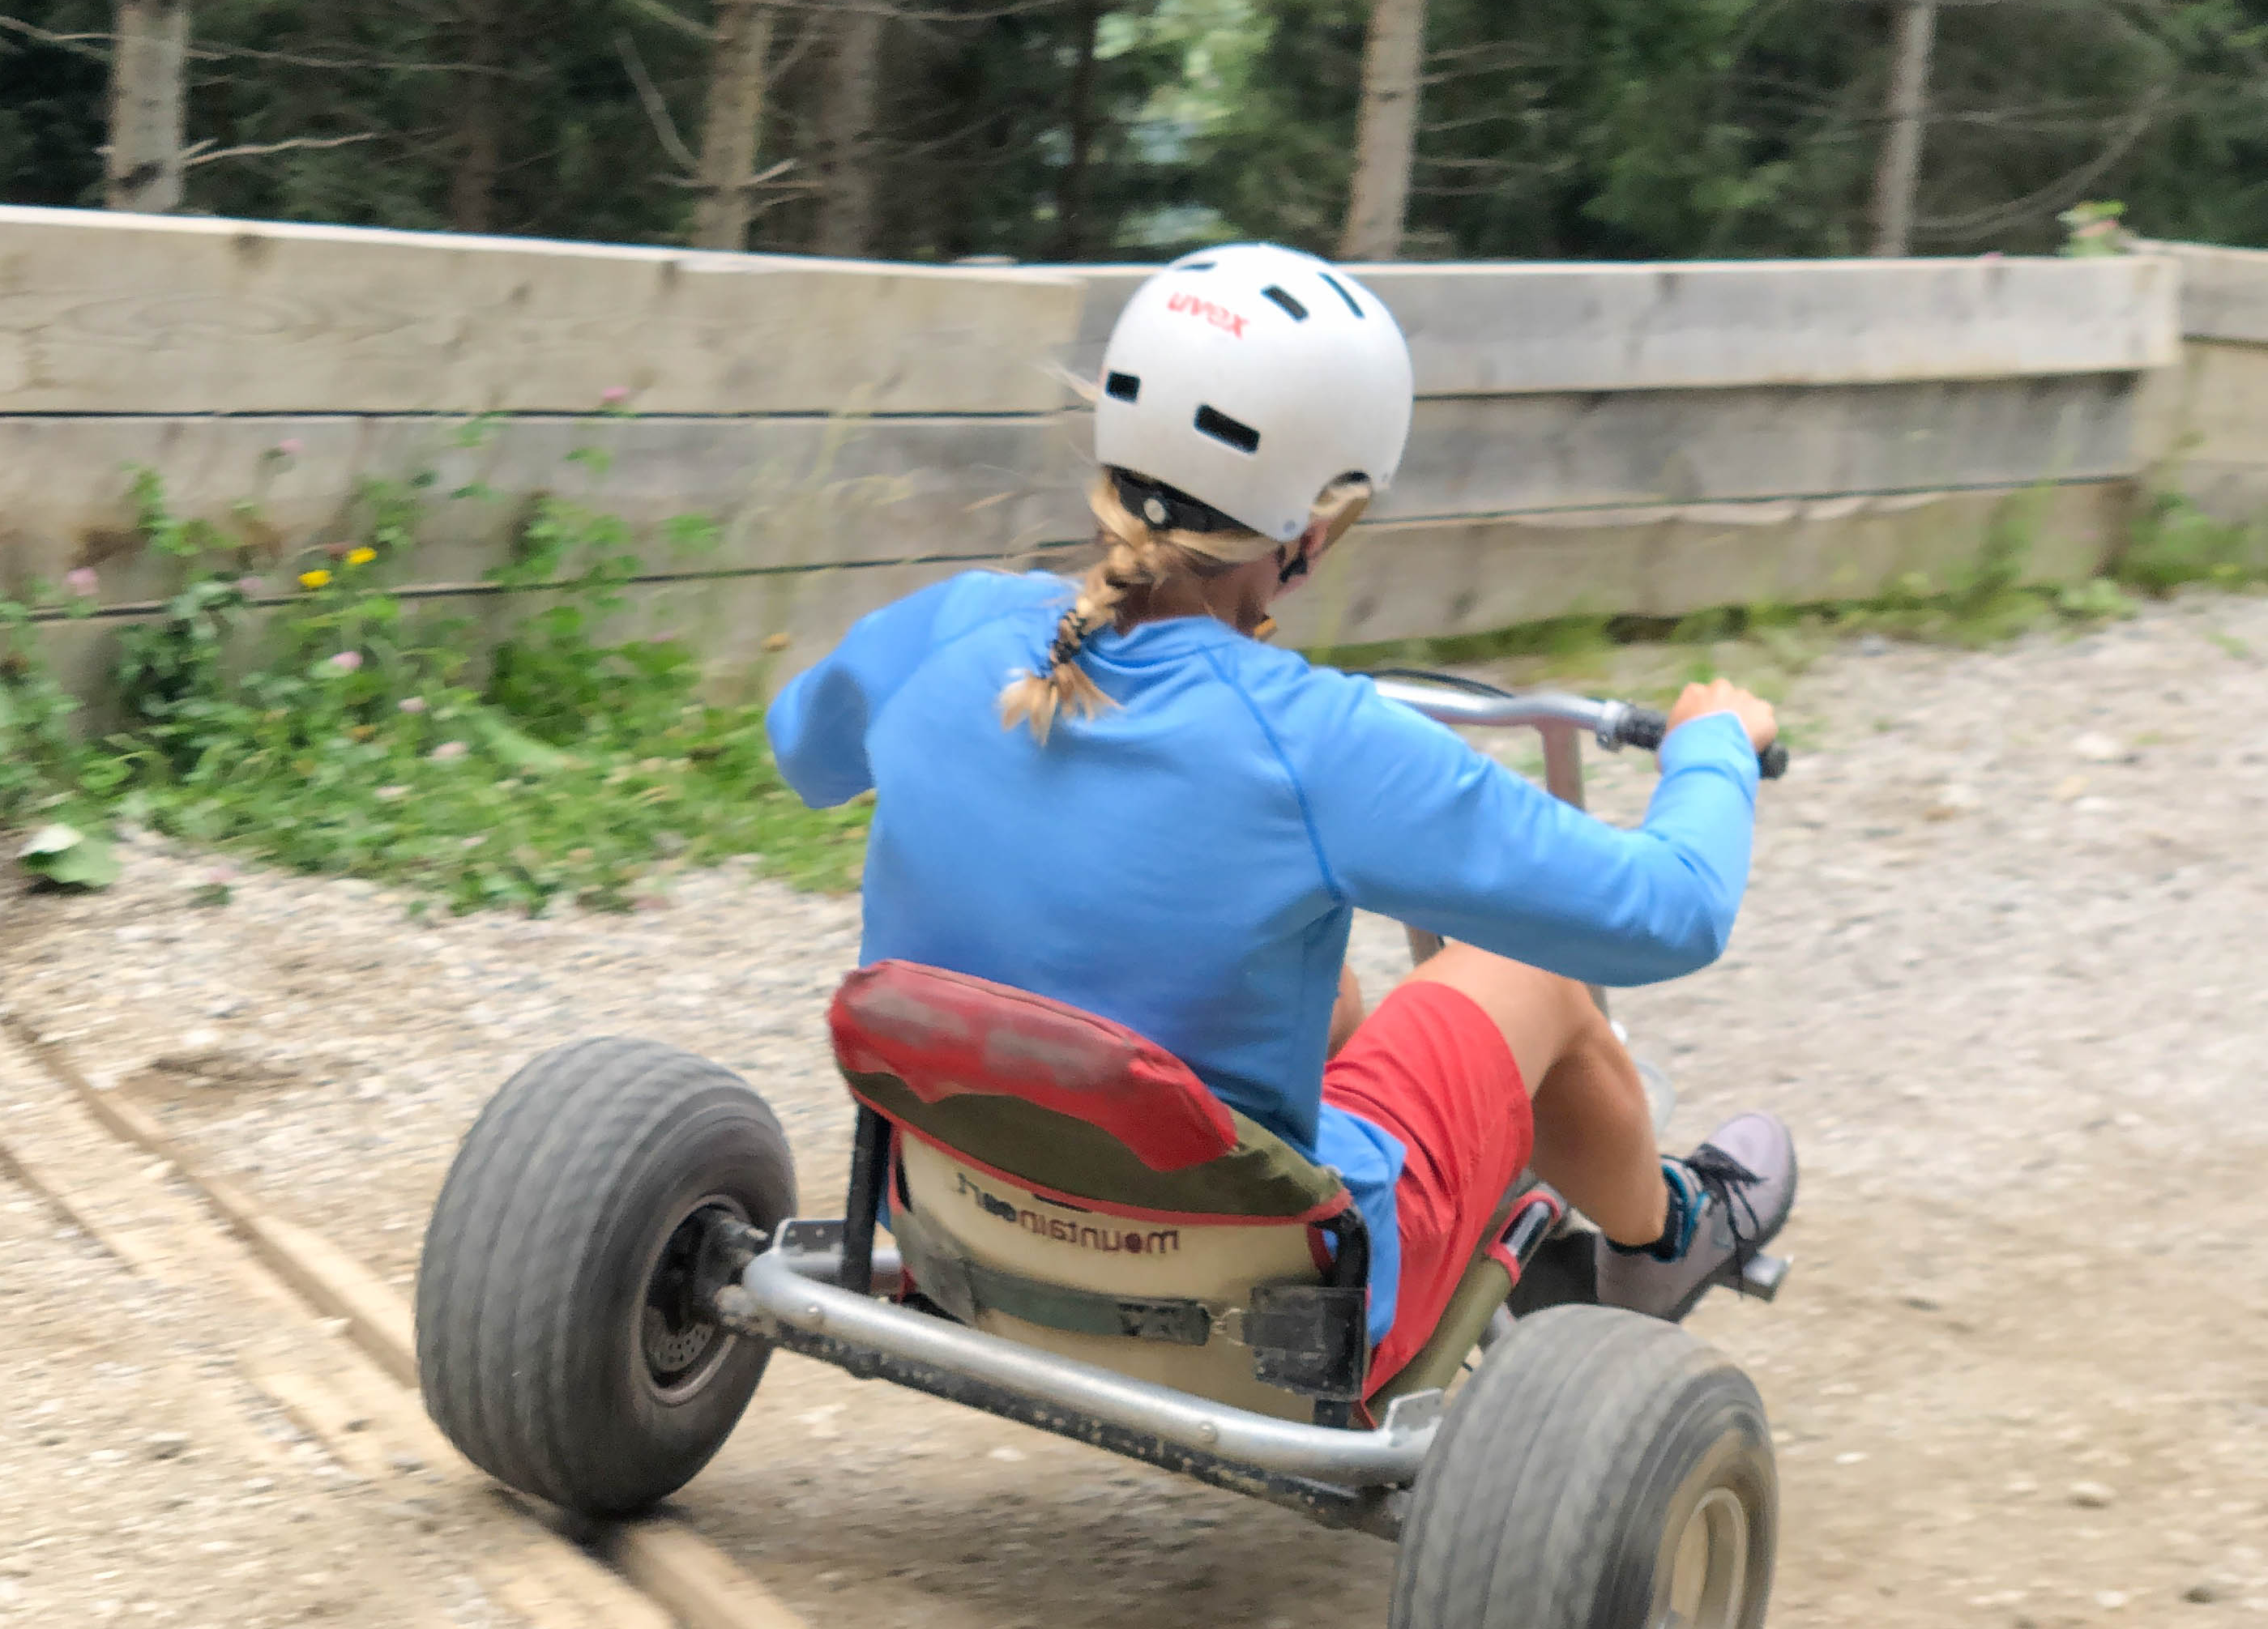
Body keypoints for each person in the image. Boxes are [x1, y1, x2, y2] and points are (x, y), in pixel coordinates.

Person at [765, 241, 1796, 1391]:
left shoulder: (955, 628)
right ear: (1314, 521)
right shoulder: (1320, 741)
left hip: (952, 1209)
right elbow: (1675, 911)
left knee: (1327, 988)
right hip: (1253, 1306)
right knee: (1529, 972)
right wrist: (1711, 750)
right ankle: (1660, 1239)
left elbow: (801, 749)